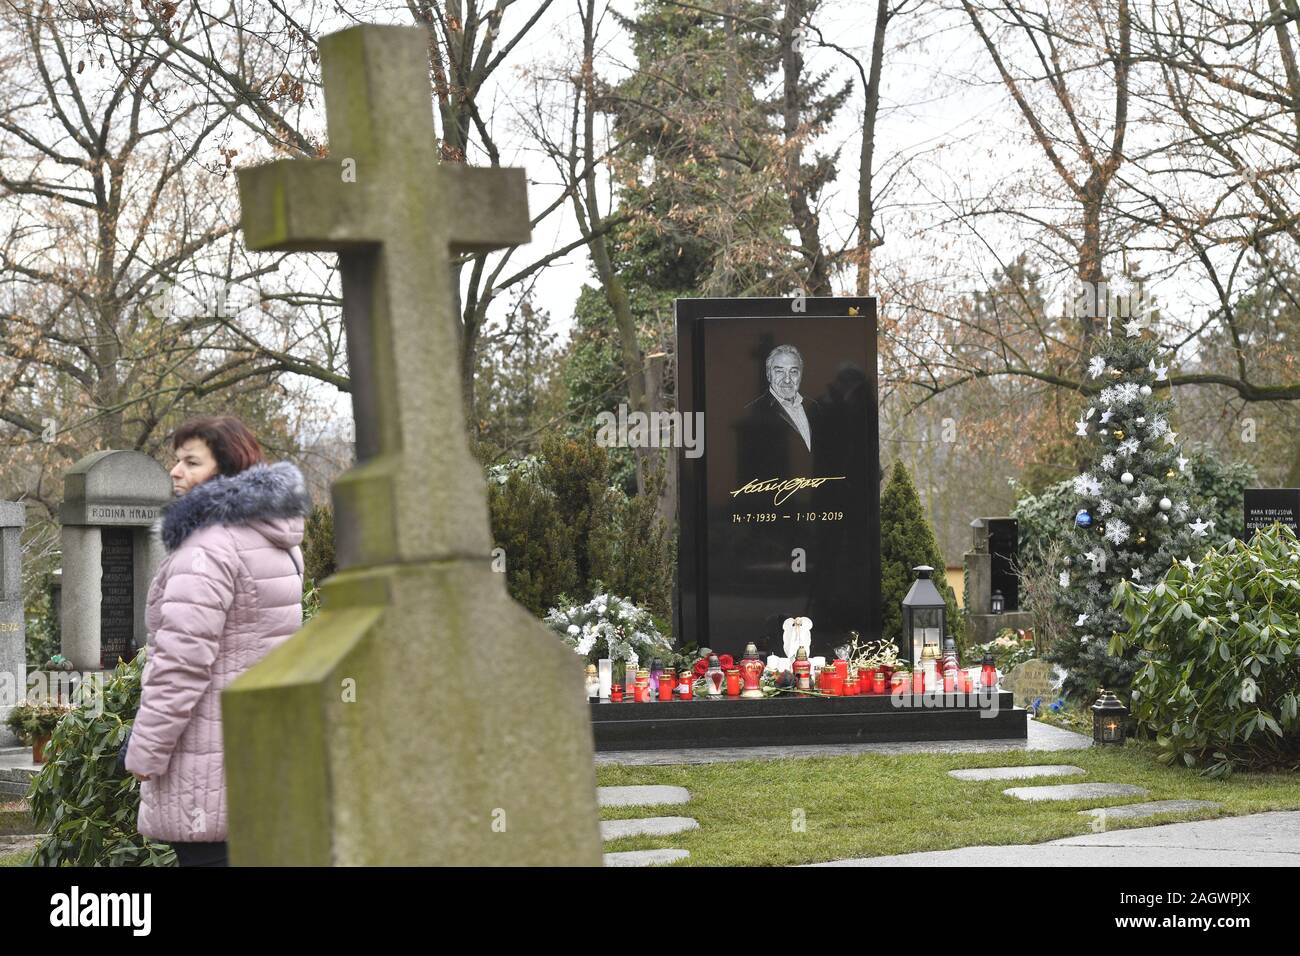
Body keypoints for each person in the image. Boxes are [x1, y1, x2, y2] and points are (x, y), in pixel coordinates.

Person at [124, 416, 312, 867]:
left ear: (225, 471)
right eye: (176, 460)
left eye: (191, 462)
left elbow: (181, 666)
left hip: (208, 764)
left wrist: (144, 753)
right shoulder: (276, 539)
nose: (175, 471)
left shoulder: (207, 547)